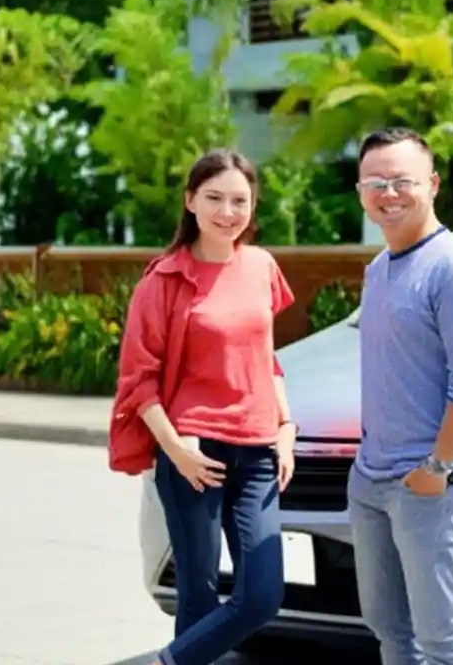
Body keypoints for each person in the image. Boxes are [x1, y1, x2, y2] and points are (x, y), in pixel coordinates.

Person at [108, 148, 298, 665]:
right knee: (198, 592)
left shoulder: (261, 266)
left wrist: (286, 426)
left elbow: (264, 357)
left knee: (262, 594)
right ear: (191, 201)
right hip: (193, 451)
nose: (227, 212)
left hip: (258, 450)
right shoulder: (163, 280)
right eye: (214, 198)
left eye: (240, 200)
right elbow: (138, 382)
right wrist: (177, 451)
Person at [348, 127, 453, 665]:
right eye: (375, 183)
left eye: (402, 181)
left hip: (429, 484)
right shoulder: (379, 269)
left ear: (432, 184)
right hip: (371, 479)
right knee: (390, 631)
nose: (388, 194)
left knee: (442, 641)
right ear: (361, 192)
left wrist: (435, 468)